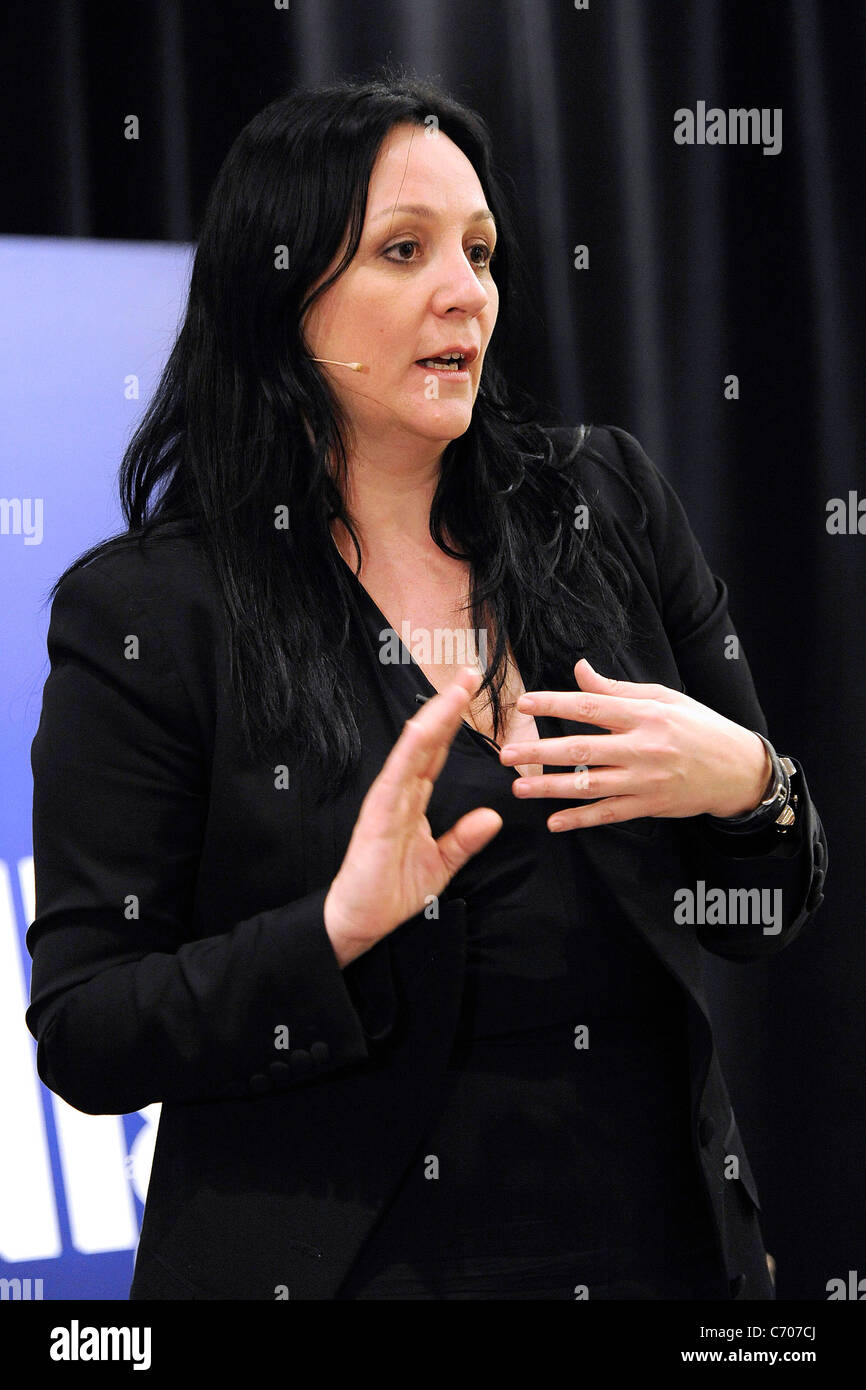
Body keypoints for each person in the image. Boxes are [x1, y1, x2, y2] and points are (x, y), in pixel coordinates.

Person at [26, 72, 828, 1301]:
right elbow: (87, 1028)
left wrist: (745, 783)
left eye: (481, 251)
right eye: (403, 251)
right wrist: (335, 929)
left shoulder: (602, 503)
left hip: (660, 1256)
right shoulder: (149, 612)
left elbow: (766, 899)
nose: (466, 291)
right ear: (278, 288)